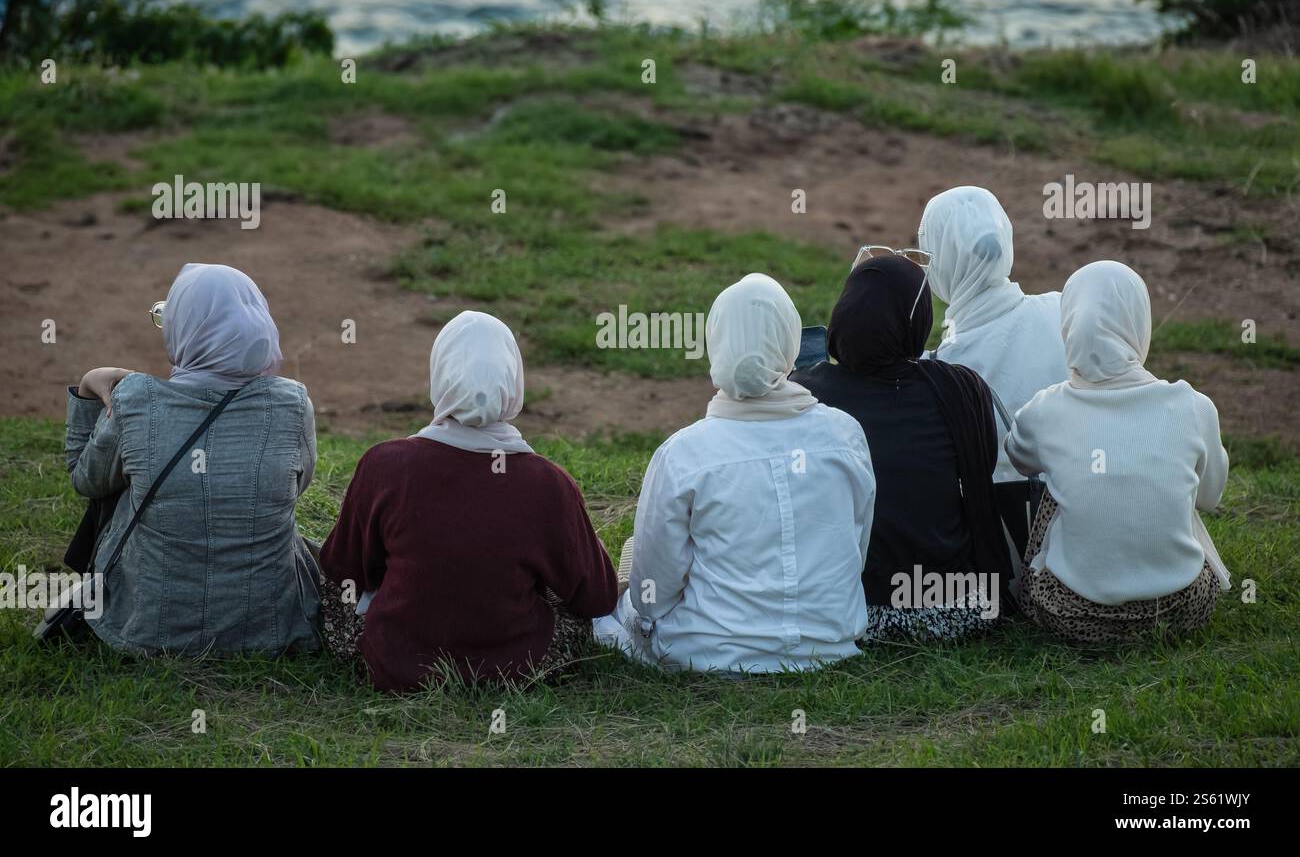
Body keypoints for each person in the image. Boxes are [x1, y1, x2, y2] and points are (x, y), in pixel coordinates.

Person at [319, 311, 617, 691]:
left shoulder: (384, 464)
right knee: (564, 596)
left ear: (439, 375)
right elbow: (597, 598)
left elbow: (343, 568)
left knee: (336, 588)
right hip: (517, 670)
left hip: (395, 665)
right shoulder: (548, 483)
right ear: (513, 383)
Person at [594, 273, 875, 673]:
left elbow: (652, 594)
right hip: (829, 644)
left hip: (708, 651)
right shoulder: (846, 434)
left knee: (611, 605)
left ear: (717, 343)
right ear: (790, 341)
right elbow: (855, 549)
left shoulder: (684, 453)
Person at [65, 263, 321, 655]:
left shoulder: (135, 400)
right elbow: (295, 487)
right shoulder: (292, 404)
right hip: (274, 627)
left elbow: (85, 480)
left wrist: (87, 387)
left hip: (147, 628)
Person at [1006, 261, 1231, 643]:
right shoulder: (1192, 405)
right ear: (1137, 321)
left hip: (1070, 611)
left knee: (1055, 489)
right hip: (1182, 608)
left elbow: (1018, 458)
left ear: (1068, 325)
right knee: (1170, 483)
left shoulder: (1047, 409)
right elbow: (1210, 497)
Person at [793, 254, 1010, 640]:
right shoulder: (959, 387)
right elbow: (983, 465)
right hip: (959, 609)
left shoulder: (806, 393)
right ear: (917, 322)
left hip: (850, 608)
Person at [918, 186, 1068, 481]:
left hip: (1008, 523)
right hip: (1087, 501)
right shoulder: (1064, 309)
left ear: (939, 260)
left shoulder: (942, 369)